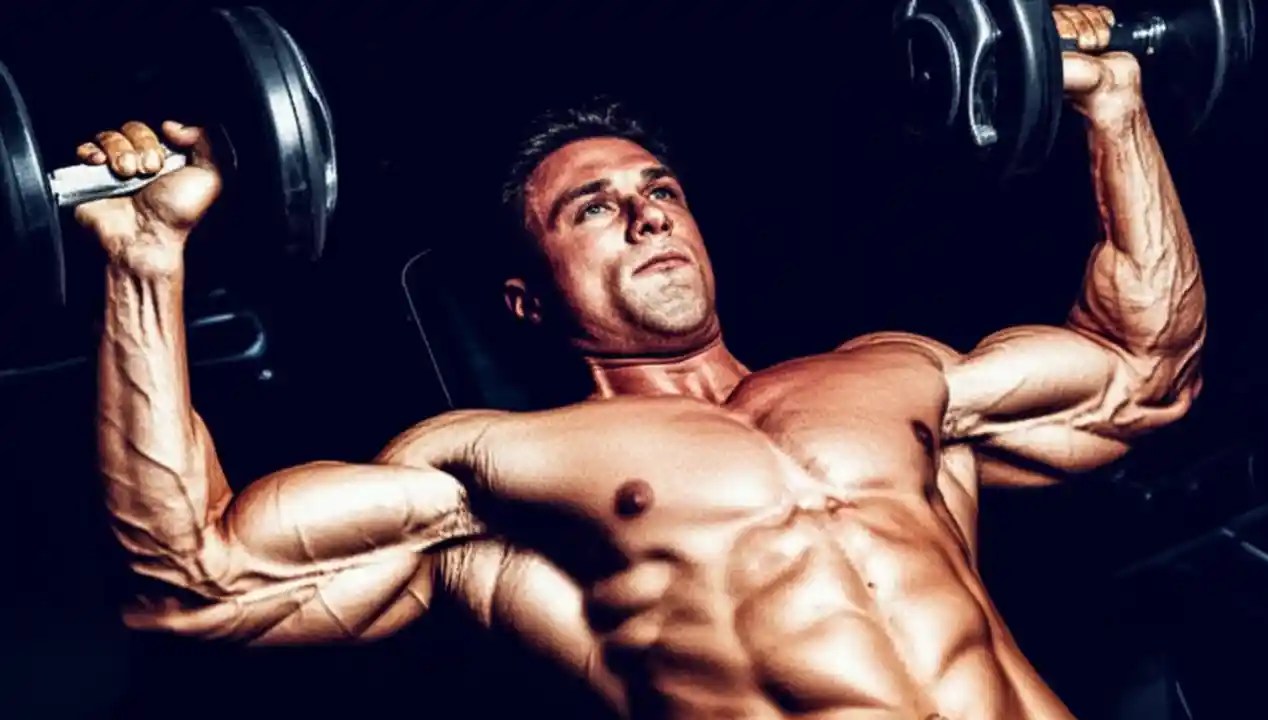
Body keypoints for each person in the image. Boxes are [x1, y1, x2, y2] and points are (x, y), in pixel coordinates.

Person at [84, 6, 1205, 719]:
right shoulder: (497, 468)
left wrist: (1114, 111)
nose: (643, 217)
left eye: (659, 192)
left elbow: (1143, 369)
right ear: (528, 298)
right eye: (592, 208)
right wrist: (147, 262)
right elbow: (199, 583)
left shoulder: (890, 375)